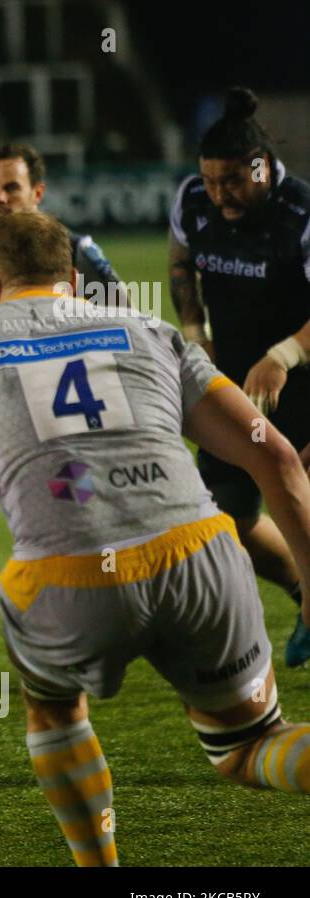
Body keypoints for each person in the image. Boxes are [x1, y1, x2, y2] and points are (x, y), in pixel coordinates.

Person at [0, 210, 310, 866]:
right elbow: (277, 460)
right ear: (74, 279)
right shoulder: (148, 331)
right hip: (200, 554)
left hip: (70, 578)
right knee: (247, 746)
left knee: (52, 708)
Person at [167, 86, 310, 666]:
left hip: (300, 373)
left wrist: (282, 355)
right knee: (226, 518)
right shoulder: (193, 200)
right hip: (231, 382)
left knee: (297, 492)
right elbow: (180, 265)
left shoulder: (301, 212)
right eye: (209, 181)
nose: (218, 194)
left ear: (263, 167)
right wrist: (194, 330)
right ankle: (305, 591)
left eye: (232, 182)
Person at [0, 143, 119, 352]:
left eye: (12, 187)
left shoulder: (78, 251)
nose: (0, 198)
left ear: (37, 193)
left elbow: (128, 323)